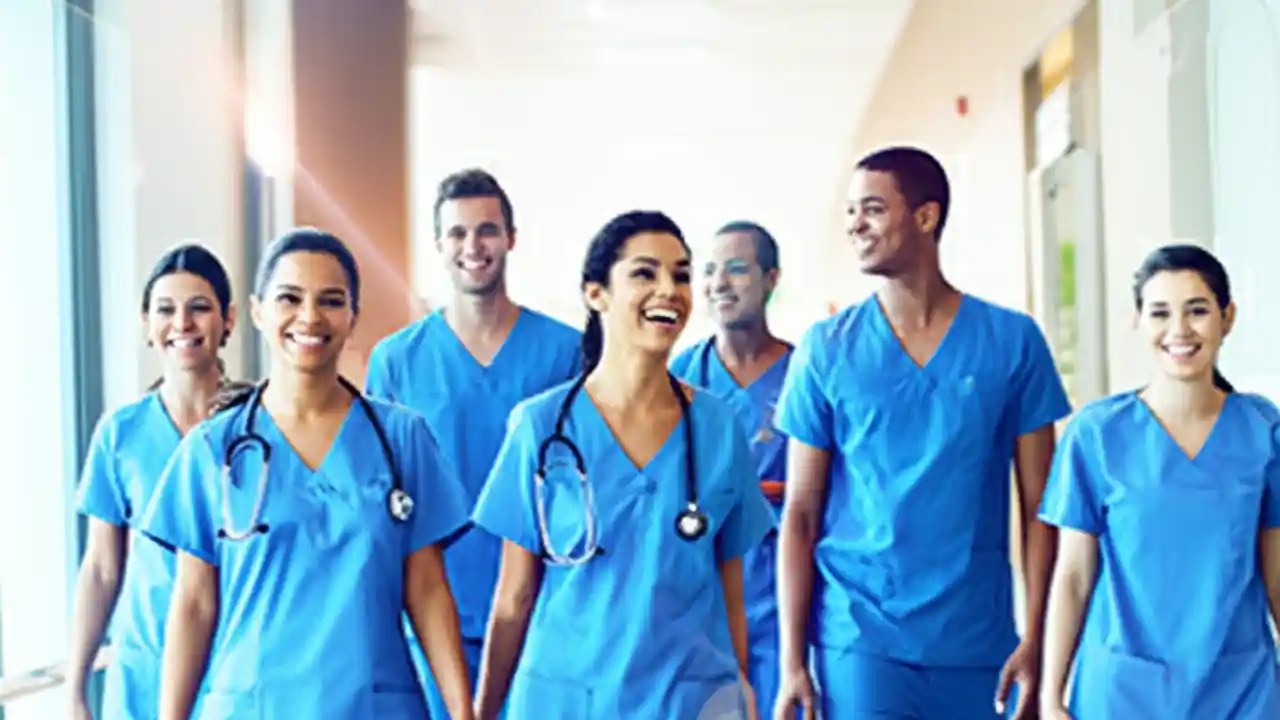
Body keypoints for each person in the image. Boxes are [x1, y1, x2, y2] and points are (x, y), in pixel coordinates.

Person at [772, 146, 1071, 720]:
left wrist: (1038, 642)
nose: (855, 225)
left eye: (873, 209)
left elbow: (1041, 509)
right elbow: (801, 514)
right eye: (851, 212)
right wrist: (792, 662)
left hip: (976, 639)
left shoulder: (1012, 342)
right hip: (860, 636)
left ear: (926, 216)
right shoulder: (826, 349)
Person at [140, 229, 475, 719]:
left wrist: (463, 712)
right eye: (290, 298)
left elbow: (426, 588)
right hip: (252, 706)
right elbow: (193, 603)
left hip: (372, 705)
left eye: (331, 301)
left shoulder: (401, 438)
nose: (311, 316)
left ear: (353, 316)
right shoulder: (213, 449)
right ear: (257, 312)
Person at [470, 210, 777, 719]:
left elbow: (730, 590)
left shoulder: (718, 427)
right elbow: (513, 597)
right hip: (567, 699)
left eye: (680, 275)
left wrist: (741, 690)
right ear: (597, 294)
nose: (669, 290)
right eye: (644, 273)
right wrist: (483, 712)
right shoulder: (541, 427)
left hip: (690, 698)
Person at [365, 168, 581, 715]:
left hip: (542, 616)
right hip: (435, 616)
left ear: (511, 238)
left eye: (487, 230)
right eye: (457, 233)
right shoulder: (396, 361)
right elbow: (382, 501)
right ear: (439, 244)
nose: (473, 246)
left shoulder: (565, 353)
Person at [1038, 245, 1280, 719]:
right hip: (1122, 692)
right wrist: (1051, 696)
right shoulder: (1096, 435)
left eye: (1197, 310)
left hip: (1240, 690)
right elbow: (1072, 577)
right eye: (1160, 313)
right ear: (1138, 321)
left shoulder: (1264, 432)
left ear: (1227, 318)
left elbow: (1278, 576)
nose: (1179, 330)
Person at [67, 244, 239, 720]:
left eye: (199, 307)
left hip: (234, 669)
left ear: (228, 319)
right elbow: (101, 568)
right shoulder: (121, 433)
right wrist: (76, 688)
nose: (182, 323)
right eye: (165, 310)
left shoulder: (256, 427)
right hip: (144, 670)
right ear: (147, 323)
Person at [670, 220, 793, 719]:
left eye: (737, 269)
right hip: (704, 602)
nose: (719, 283)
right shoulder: (680, 377)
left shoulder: (802, 375)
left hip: (785, 598)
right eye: (709, 271)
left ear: (771, 278)